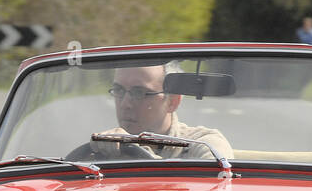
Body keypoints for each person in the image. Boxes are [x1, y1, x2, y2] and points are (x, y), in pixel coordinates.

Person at [95, 61, 233, 160]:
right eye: (119, 90)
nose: (125, 104)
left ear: (172, 102)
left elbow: (216, 189)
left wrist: (134, 150)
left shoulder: (204, 143)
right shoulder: (104, 147)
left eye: (140, 93)